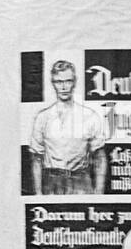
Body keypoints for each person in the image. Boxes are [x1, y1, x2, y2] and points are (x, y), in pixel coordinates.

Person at [30, 60, 107, 195]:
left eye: (68, 81)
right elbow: (37, 158)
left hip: (81, 182)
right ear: (53, 83)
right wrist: (37, 194)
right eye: (59, 82)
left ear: (75, 82)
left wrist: (99, 193)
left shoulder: (89, 116)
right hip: (52, 182)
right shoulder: (43, 117)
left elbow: (100, 157)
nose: (64, 87)